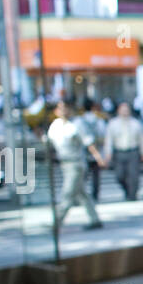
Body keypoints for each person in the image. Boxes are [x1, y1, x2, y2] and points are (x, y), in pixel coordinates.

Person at [46, 99, 106, 231]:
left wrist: (98, 157)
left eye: (66, 108)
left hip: (76, 164)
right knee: (82, 194)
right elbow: (49, 143)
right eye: (60, 108)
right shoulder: (55, 125)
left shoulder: (77, 124)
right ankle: (95, 219)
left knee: (68, 194)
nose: (63, 111)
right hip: (64, 164)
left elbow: (88, 142)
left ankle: (57, 223)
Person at [103, 102, 143, 201]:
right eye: (122, 109)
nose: (125, 112)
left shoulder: (135, 123)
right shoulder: (113, 123)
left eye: (126, 109)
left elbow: (142, 139)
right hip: (119, 152)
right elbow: (109, 140)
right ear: (118, 110)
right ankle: (127, 189)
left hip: (133, 151)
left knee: (134, 175)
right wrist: (107, 154)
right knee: (119, 175)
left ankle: (132, 194)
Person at [79, 99, 108, 202]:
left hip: (83, 153)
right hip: (97, 151)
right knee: (96, 176)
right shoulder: (99, 121)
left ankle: (81, 195)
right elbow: (103, 135)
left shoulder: (79, 121)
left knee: (83, 176)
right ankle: (95, 196)